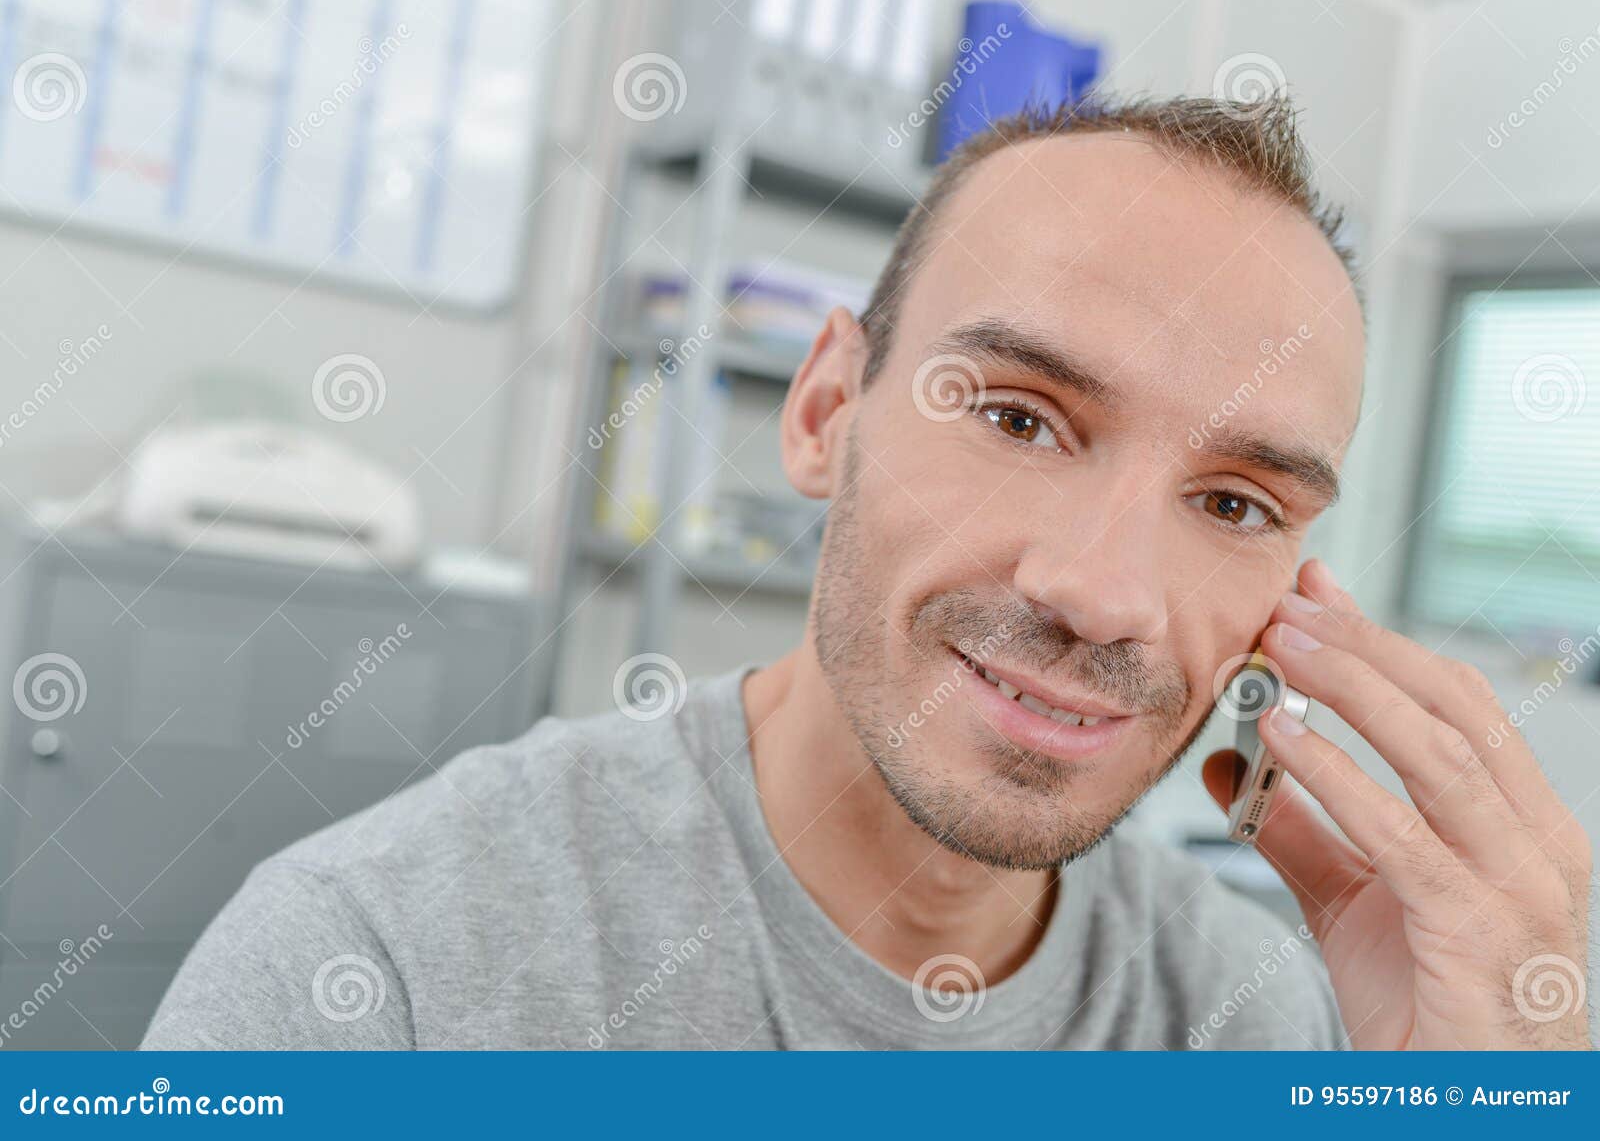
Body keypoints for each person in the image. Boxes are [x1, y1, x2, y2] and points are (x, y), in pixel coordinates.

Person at [142, 94, 1593, 1050]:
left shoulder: (1251, 1016)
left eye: (1232, 500)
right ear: (829, 409)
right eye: (1020, 418)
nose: (1104, 593)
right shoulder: (375, 976)